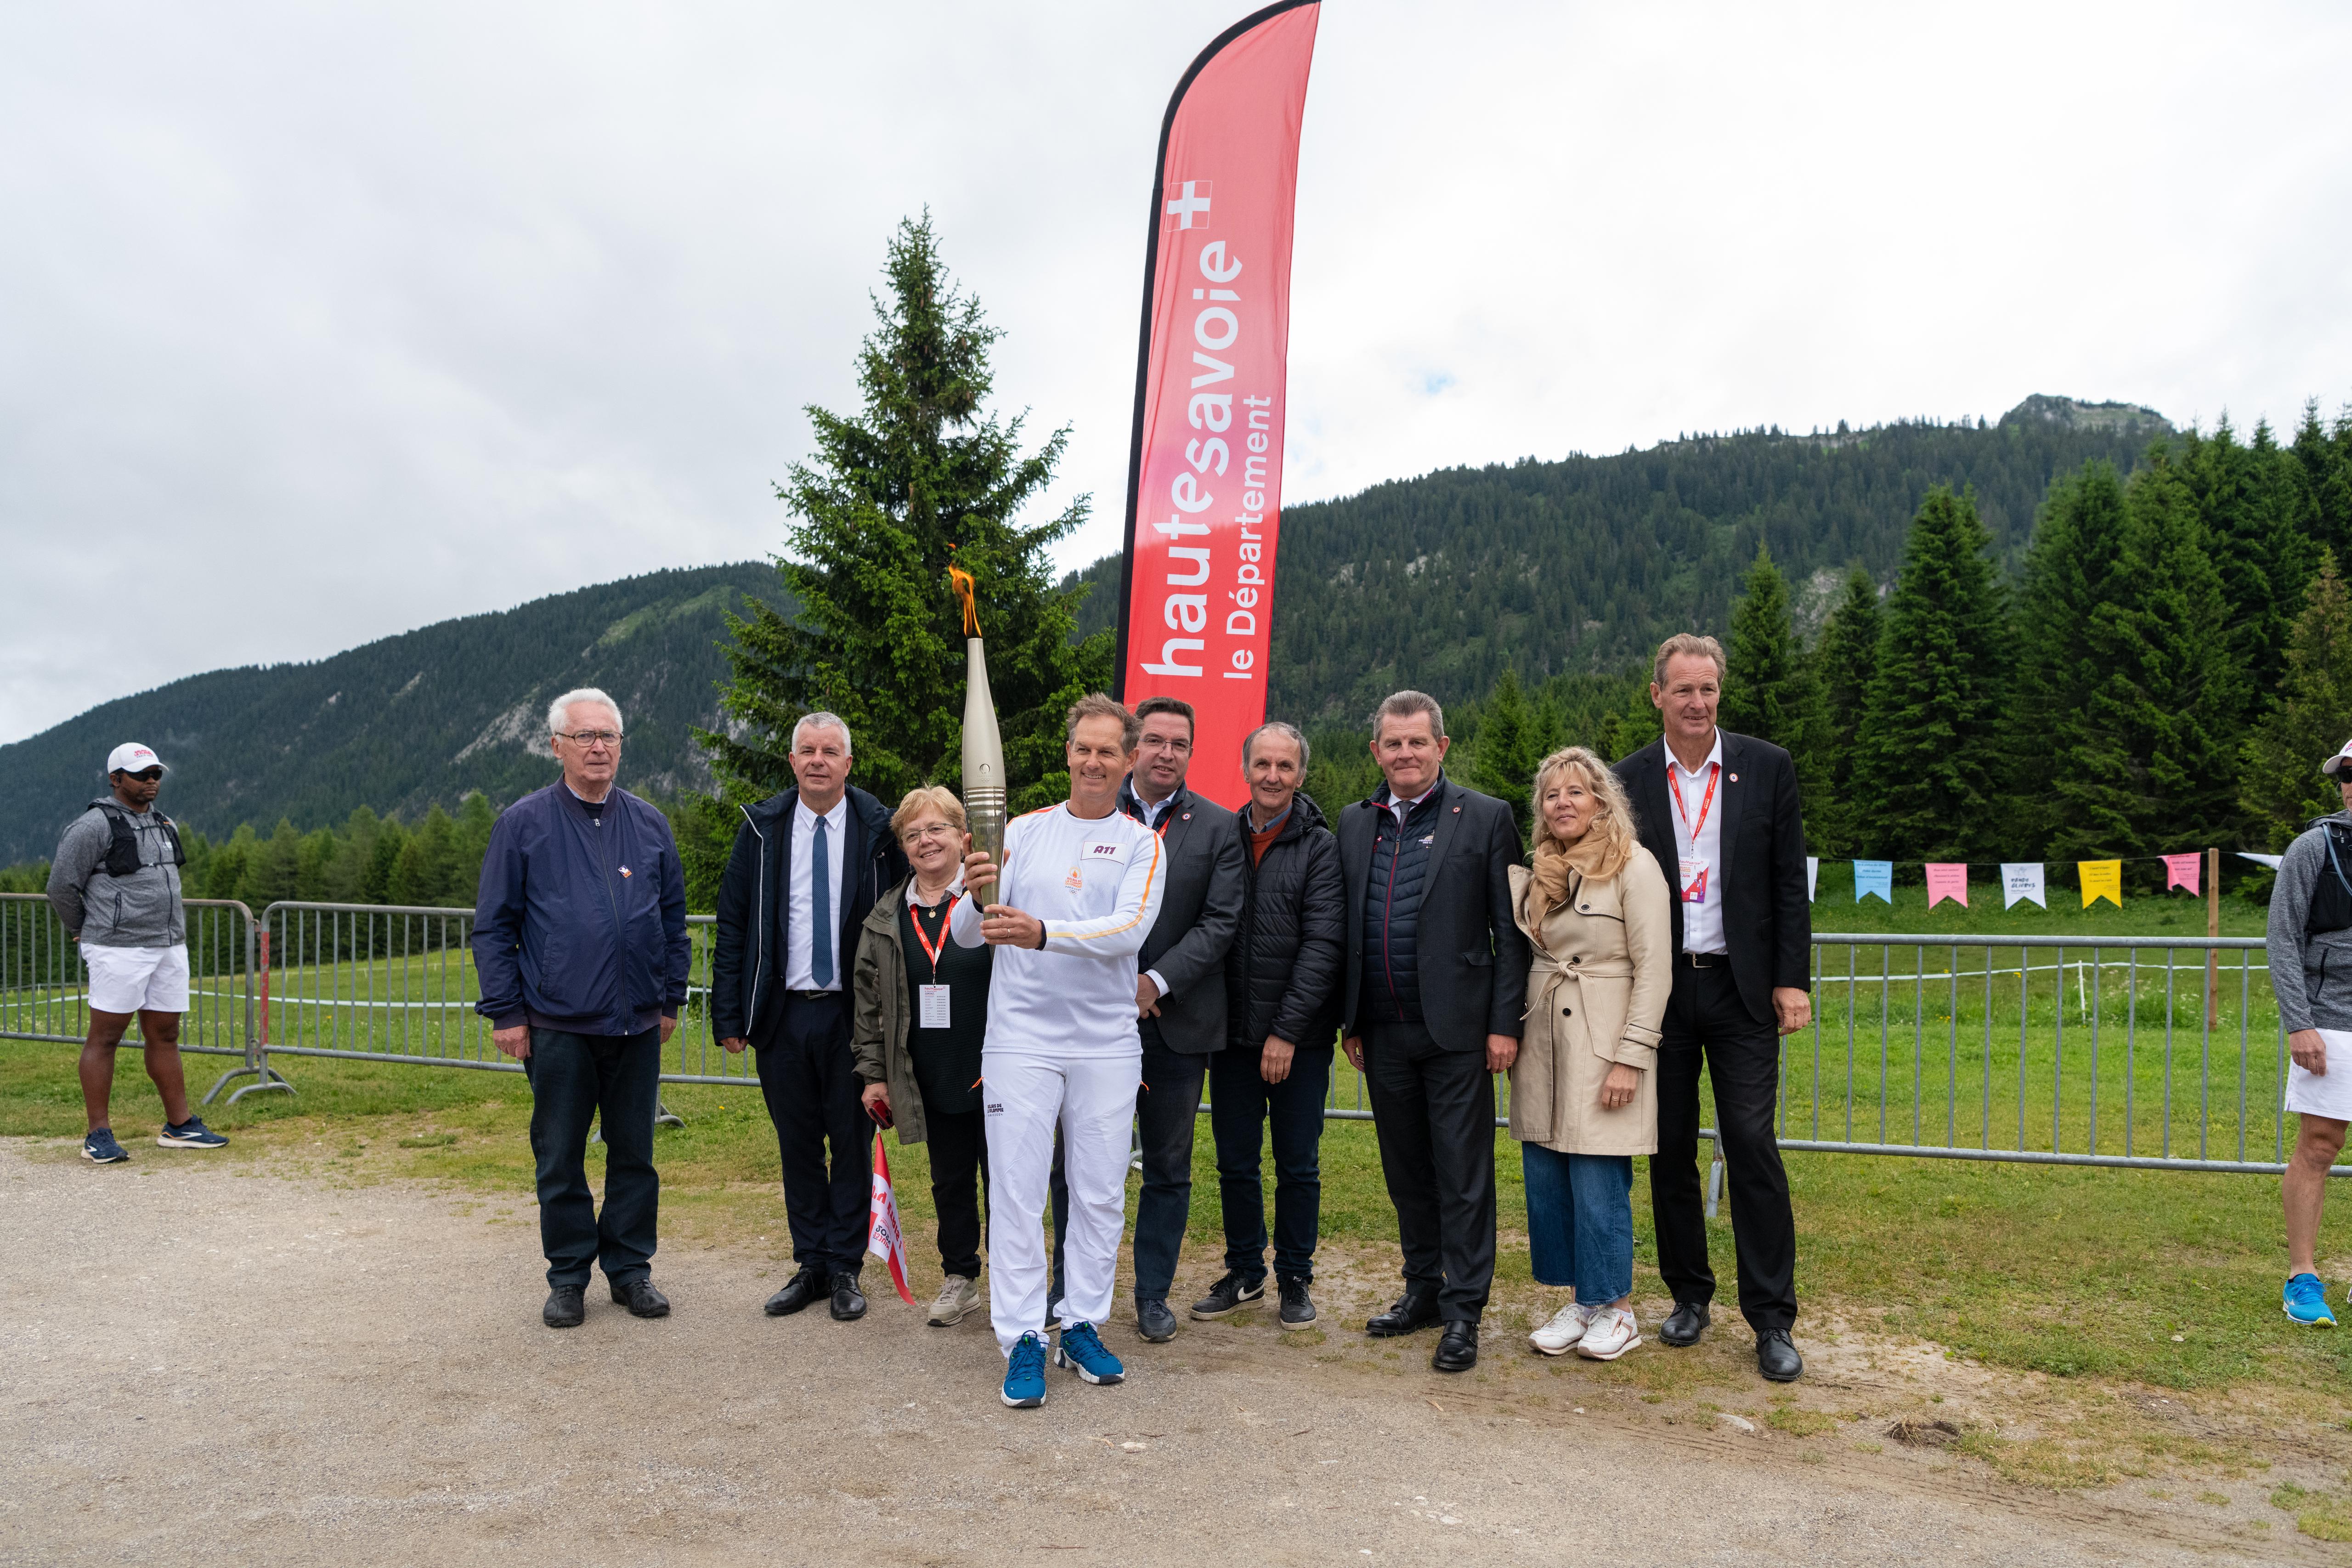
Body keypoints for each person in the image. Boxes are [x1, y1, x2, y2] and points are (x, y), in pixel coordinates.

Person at [949, 694, 1166, 1408]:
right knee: (1016, 1192)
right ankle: (1022, 1339)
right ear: (1068, 754)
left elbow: (1128, 931)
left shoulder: (1142, 843)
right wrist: (976, 891)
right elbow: (963, 933)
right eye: (1084, 749)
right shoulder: (1018, 832)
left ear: (1129, 760)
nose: (1095, 761)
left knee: (1099, 1191)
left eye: (1110, 751)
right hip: (1022, 1041)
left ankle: (1080, 1322)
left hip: (1105, 1045)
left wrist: (1043, 932)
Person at [1613, 634, 1812, 1382]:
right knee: (1667, 1146)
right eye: (1684, 690)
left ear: (1719, 694)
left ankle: (1772, 1318)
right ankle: (1689, 1294)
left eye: (1709, 689)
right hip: (1662, 990)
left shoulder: (1767, 766)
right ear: (1658, 694)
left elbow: (1790, 881)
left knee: (1752, 1142)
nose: (1698, 703)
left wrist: (1792, 978)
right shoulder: (1627, 780)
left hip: (1743, 987)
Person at [473, 690, 691, 1329]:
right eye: (584, 736)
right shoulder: (524, 824)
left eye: (609, 737)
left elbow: (673, 920)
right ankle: (568, 1274)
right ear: (557, 747)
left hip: (636, 1022)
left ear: (622, 746)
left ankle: (630, 1271)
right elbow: (495, 927)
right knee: (561, 1153)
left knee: (635, 1154)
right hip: (557, 1023)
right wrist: (507, 1013)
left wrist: (670, 996)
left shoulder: (649, 823)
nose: (598, 747)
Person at [1337, 691, 1531, 1373]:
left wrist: (1505, 1025)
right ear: (1377, 752)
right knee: (1408, 1173)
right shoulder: (1354, 824)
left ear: (1441, 747)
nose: (1406, 754)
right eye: (1394, 743)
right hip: (1384, 1032)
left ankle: (1464, 1311)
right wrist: (1351, 1018)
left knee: (1463, 1176)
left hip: (1460, 1034)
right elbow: (1350, 928)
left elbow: (1510, 935)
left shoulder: (1485, 817)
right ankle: (1423, 1289)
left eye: (1418, 742)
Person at [713, 713, 908, 1324]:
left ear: (849, 765)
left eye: (831, 751)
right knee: (797, 1143)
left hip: (856, 1017)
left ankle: (845, 1266)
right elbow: (735, 923)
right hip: (782, 1015)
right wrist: (729, 1012)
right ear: (792, 763)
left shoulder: (880, 832)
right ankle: (811, 1263)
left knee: (851, 1142)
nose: (819, 760)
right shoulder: (763, 829)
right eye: (808, 751)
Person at [1507, 747, 1672, 1362]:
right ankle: (1583, 1300)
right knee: (1549, 1172)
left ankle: (1620, 1308)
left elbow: (1654, 970)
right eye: (1552, 795)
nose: (1564, 803)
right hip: (1546, 1039)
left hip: (1605, 1042)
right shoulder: (1544, 868)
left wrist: (1633, 1056)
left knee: (1599, 1175)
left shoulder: (1634, 866)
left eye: (1576, 792)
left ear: (1602, 800)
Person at [1103, 694, 1242, 1343]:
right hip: (1093, 1020)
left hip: (1178, 1025)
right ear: (1133, 746)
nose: (1166, 753)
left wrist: (1154, 982)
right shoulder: (1092, 813)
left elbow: (1220, 922)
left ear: (1191, 752)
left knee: (1168, 1167)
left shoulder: (1217, 826)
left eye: (1179, 744)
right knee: (1080, 1162)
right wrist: (1117, 985)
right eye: (1154, 740)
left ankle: (1152, 1295)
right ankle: (1069, 1287)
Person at [1207, 720, 1344, 1329]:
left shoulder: (1321, 846)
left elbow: (1323, 945)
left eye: (1285, 766)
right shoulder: (1221, 837)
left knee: (1297, 1163)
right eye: (1263, 764)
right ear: (1246, 768)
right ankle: (1244, 1270)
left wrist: (1286, 1032)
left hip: (1301, 1039)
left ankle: (1294, 1274)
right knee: (1235, 1161)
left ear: (1301, 775)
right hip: (1231, 1035)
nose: (1272, 776)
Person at [852, 786, 993, 1329]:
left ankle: (1015, 1281)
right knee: (949, 1180)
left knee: (1007, 1182)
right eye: (913, 834)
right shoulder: (885, 916)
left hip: (997, 1070)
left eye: (935, 829)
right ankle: (961, 1277)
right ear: (903, 848)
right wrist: (873, 1075)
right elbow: (868, 1006)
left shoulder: (991, 898)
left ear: (963, 837)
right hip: (928, 1074)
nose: (924, 841)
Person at [46, 742, 227, 1163]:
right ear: (115, 779)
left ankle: (179, 1126)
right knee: (106, 1037)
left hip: (168, 946)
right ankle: (98, 1135)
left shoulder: (166, 824)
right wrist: (83, 930)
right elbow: (60, 886)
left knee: (165, 1034)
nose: (151, 781)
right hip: (117, 947)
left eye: (156, 774)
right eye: (141, 774)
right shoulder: (92, 826)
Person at [2265, 737, 2352, 1327]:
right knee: (2318, 1147)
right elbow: (2282, 938)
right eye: (2345, 774)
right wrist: (2299, 1023)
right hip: (2330, 1022)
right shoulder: (2313, 847)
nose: (2348, 783)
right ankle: (2301, 1278)